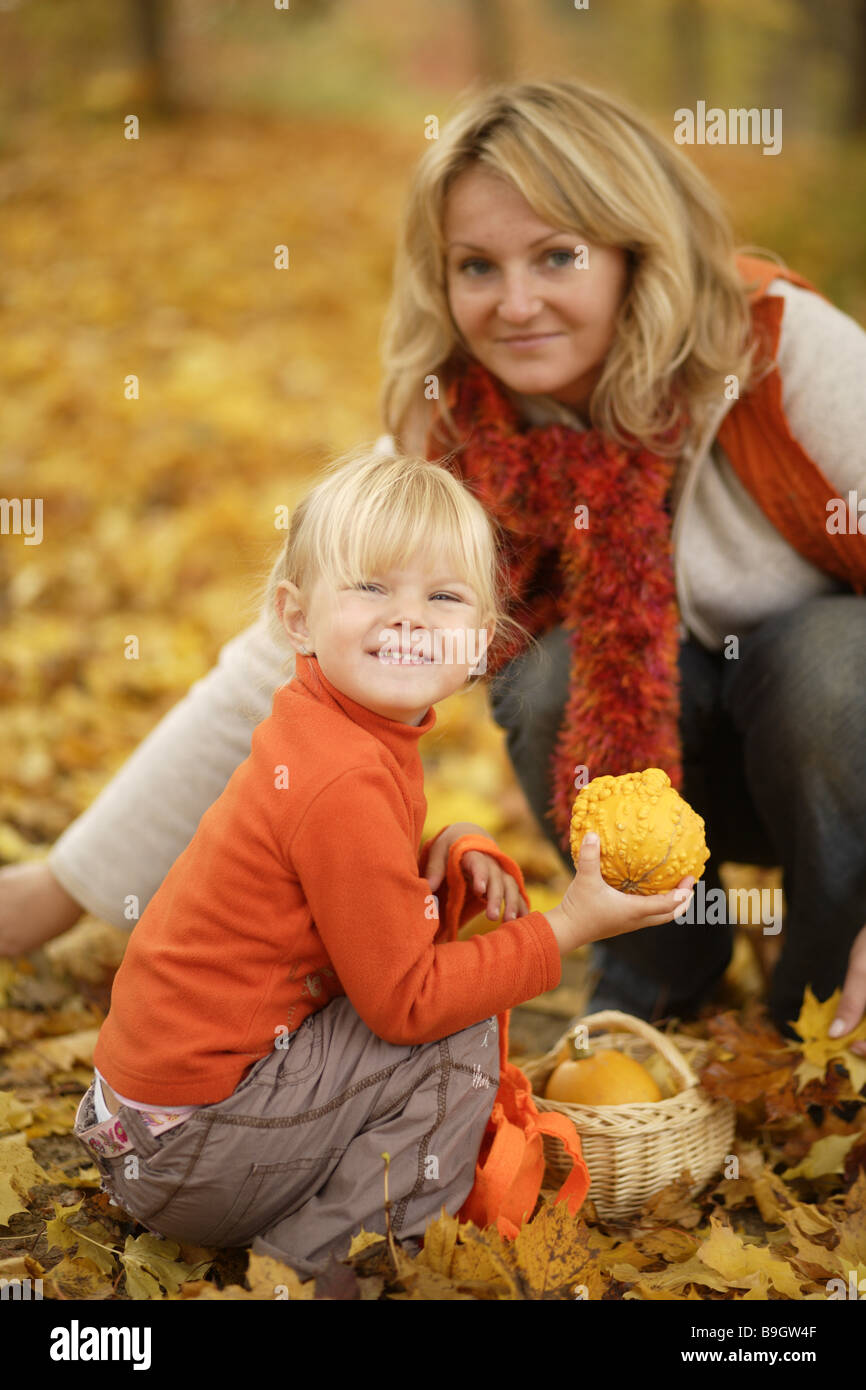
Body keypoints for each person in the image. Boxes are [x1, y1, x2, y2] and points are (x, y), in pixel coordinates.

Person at [4, 76, 866, 1054]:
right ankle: (656, 982)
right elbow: (280, 668)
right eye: (476, 266)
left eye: (556, 255)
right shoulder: (456, 432)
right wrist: (60, 888)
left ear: (637, 248)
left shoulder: (775, 353)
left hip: (834, 777)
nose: (515, 303)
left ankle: (817, 1023)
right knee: (548, 670)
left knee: (830, 660)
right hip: (643, 814)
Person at [70, 448, 695, 1274]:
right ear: (296, 618)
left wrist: (449, 850)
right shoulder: (342, 778)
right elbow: (405, 1004)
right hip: (194, 1155)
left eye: (442, 597)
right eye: (371, 587)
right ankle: (314, 1267)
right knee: (455, 1031)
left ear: (480, 643)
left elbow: (348, 887)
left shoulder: (328, 729)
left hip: (150, 1125)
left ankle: (304, 1208)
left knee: (441, 1012)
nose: (408, 620)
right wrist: (571, 924)